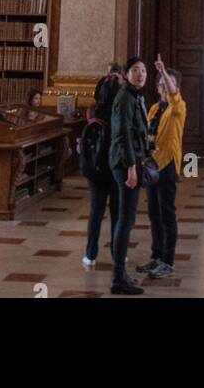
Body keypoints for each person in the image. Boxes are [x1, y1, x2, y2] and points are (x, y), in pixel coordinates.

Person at [138, 54, 186, 280]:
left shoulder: (178, 107)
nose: (163, 87)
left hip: (167, 166)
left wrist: (163, 71)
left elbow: (174, 96)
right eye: (160, 84)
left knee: (167, 214)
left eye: (166, 83)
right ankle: (156, 256)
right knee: (154, 214)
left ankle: (168, 261)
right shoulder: (155, 108)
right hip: (152, 165)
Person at [109, 56, 149, 295]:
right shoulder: (125, 98)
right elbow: (123, 134)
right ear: (126, 74)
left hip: (129, 161)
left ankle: (121, 273)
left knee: (126, 219)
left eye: (143, 70)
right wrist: (132, 167)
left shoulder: (134, 96)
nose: (141, 74)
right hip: (125, 164)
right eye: (135, 70)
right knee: (125, 220)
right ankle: (118, 277)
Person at [81, 64, 123, 269]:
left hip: (96, 169)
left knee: (96, 212)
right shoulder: (119, 114)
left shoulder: (92, 111)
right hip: (115, 168)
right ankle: (118, 253)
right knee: (117, 212)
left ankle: (90, 254)